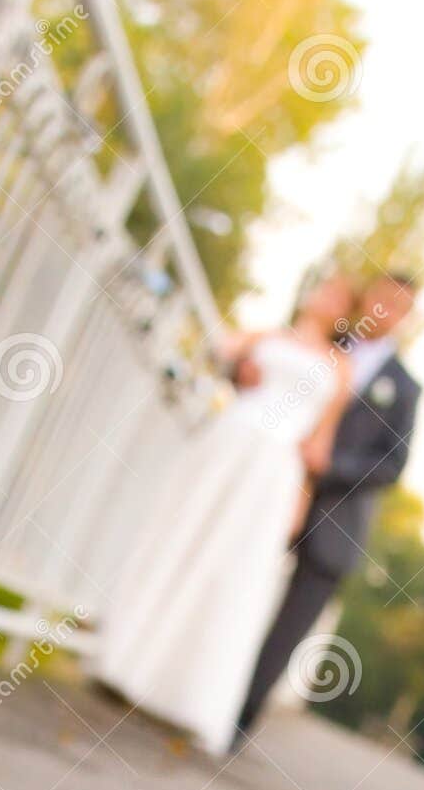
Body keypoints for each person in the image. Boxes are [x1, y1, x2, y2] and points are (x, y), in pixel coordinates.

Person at [93, 274, 358, 756]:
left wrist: (299, 504)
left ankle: (187, 692)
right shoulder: (269, 337)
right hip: (230, 441)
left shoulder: (340, 368)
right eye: (323, 288)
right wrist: (238, 365)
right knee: (182, 540)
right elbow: (220, 348)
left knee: (233, 571)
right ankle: (130, 662)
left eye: (338, 296)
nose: (326, 297)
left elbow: (319, 444)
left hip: (272, 471)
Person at [234, 271, 421, 742]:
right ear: (367, 298)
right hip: (271, 491)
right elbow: (257, 363)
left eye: (397, 307)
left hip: (336, 522)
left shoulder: (405, 388)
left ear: (406, 318)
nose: (385, 310)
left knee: (287, 629)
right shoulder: (320, 341)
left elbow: (392, 464)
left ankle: (239, 715)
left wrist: (327, 466)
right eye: (380, 298)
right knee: (237, 585)